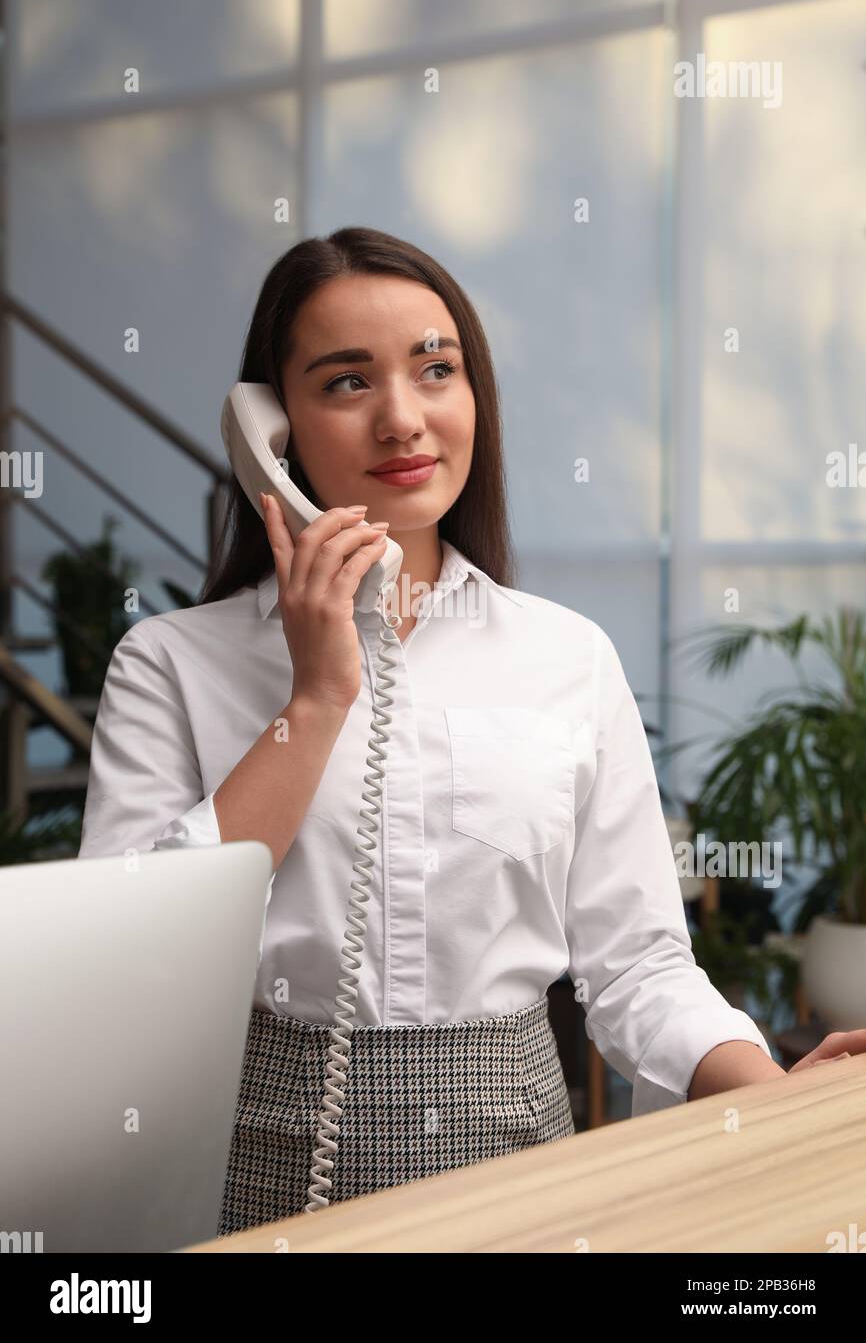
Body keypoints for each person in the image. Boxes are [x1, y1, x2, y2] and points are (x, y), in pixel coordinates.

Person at [78, 225, 866, 1237]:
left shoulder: (564, 655)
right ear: (268, 430)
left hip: (520, 1179)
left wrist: (765, 1095)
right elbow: (131, 965)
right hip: (260, 1178)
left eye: (435, 369)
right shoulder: (168, 665)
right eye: (346, 382)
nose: (403, 419)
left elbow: (634, 965)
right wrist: (314, 699)